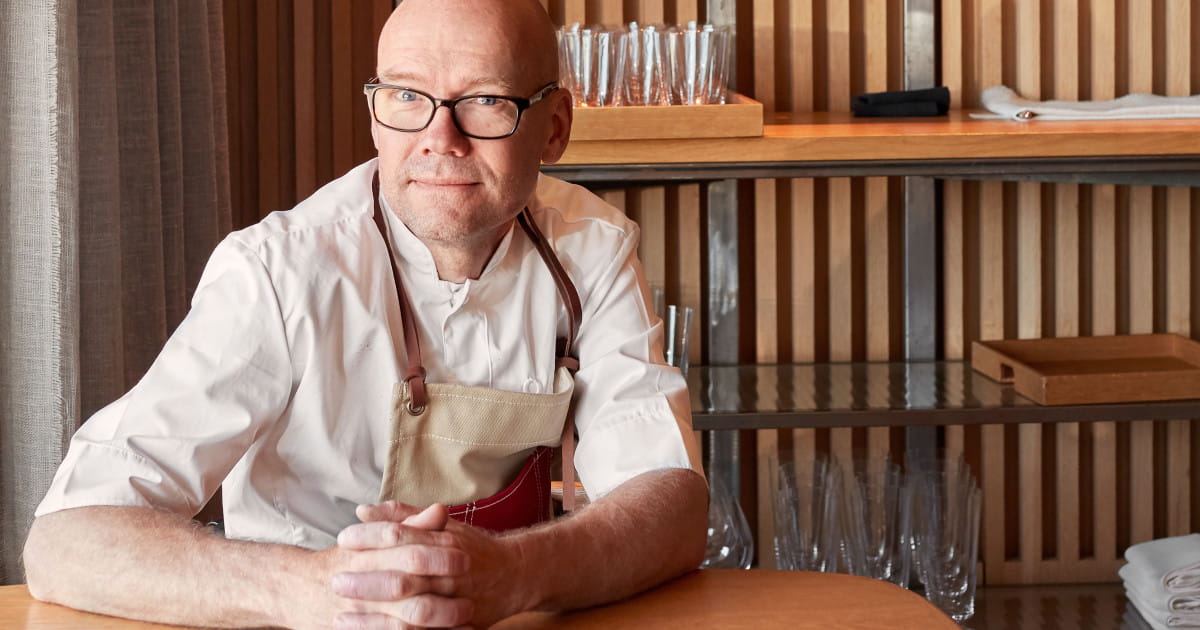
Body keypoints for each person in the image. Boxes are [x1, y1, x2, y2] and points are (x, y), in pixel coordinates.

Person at [21, 1, 708, 628]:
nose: (441, 138)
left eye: (484, 101)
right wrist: (317, 588)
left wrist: (515, 574)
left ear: (553, 127)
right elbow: (65, 541)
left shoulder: (591, 248)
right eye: (407, 96)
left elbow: (672, 504)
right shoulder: (277, 272)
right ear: (376, 112)